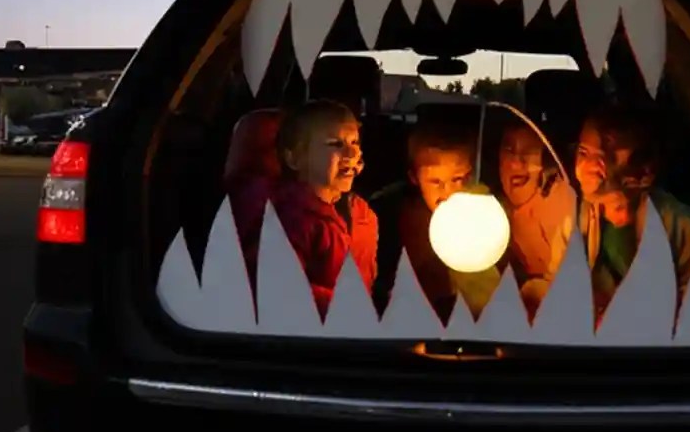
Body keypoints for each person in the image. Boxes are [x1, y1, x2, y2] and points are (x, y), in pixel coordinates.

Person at [231, 99, 378, 320]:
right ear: (295, 158)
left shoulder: (361, 214)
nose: (351, 153)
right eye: (335, 144)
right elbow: (279, 290)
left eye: (355, 142)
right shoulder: (289, 218)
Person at [574, 105, 690, 323]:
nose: (586, 166)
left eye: (606, 155)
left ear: (644, 174)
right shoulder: (576, 218)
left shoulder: (681, 227)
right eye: (583, 152)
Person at [372, 119, 501, 322]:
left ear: (469, 174)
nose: (447, 192)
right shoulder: (408, 220)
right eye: (435, 182)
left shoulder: (483, 213)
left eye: (457, 179)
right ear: (414, 177)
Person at [496, 118, 576, 320]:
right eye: (508, 149)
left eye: (529, 151)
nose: (517, 162)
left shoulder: (560, 200)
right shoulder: (493, 213)